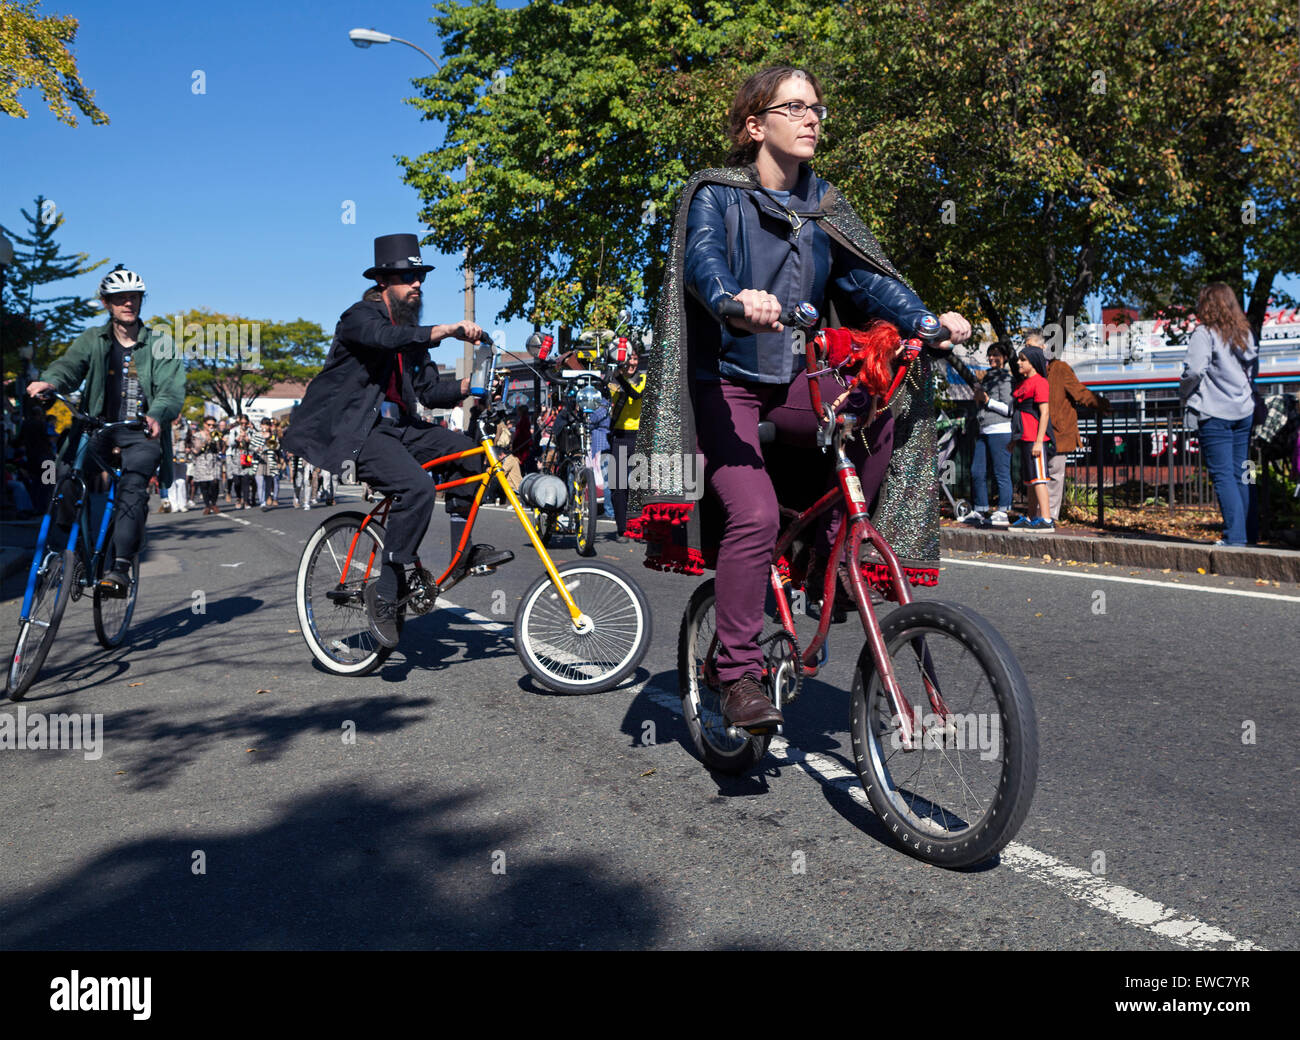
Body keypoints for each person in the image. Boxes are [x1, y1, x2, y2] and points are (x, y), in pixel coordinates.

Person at [630, 66, 971, 730]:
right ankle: (735, 679)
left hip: (793, 382)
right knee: (753, 516)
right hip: (725, 384)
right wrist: (733, 300)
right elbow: (703, 264)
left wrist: (926, 323)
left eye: (817, 108)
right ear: (756, 125)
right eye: (796, 107)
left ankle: (833, 559)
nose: (813, 117)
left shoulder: (825, 207)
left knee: (881, 406)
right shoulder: (714, 194)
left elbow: (871, 282)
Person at [283, 233, 510, 648]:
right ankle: (387, 596)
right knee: (416, 487)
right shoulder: (360, 318)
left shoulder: (410, 332)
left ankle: (462, 555)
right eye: (408, 277)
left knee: (470, 456)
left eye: (420, 277)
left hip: (398, 427)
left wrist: (470, 387)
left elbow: (426, 391)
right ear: (385, 280)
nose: (417, 284)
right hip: (358, 431)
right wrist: (447, 330)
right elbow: (385, 340)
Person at [25, 267, 185, 595]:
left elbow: (171, 388)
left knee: (133, 487)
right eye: (120, 298)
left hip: (141, 430)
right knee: (65, 472)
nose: (129, 303)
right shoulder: (92, 339)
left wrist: (157, 414)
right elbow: (69, 366)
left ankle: (121, 566)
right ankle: (70, 551)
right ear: (106, 303)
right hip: (97, 427)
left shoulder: (161, 343)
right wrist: (51, 381)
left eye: (135, 297)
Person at [1180, 282, 1259, 546]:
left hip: (1215, 412)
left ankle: (1234, 539)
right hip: (1243, 410)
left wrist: (1184, 392)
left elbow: (1193, 371)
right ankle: (1247, 535)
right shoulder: (1243, 333)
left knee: (1223, 475)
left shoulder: (1205, 333)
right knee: (1240, 474)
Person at [1039, 330, 1109, 523]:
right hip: (1037, 432)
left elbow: (1079, 392)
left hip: (1057, 431)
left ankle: (1048, 516)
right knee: (1038, 475)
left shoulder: (1060, 369)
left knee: (1054, 475)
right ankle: (1038, 514)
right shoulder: (1032, 370)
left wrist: (1100, 404)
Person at [963, 342, 1015, 528]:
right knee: (977, 471)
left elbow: (1009, 409)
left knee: (1001, 472)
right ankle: (981, 509)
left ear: (1005, 358)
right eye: (990, 355)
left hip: (1001, 431)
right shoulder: (988, 377)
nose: (992, 358)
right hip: (984, 430)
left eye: (996, 355)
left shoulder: (1006, 379)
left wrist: (987, 400)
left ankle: (1003, 511)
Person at [1010, 345, 1054, 530]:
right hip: (1024, 438)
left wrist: (1038, 441)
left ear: (1033, 362)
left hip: (1036, 439)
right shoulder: (1021, 383)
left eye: (1023, 359)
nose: (1019, 362)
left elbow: (1044, 413)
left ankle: (1046, 519)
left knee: (1039, 479)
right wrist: (1014, 440)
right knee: (1030, 480)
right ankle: (1031, 516)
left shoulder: (1040, 382)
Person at [607, 350, 646, 541]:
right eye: (629, 358)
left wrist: (619, 378)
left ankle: (638, 528)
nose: (633, 362)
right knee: (618, 486)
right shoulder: (612, 381)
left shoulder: (644, 378)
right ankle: (622, 529)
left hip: (638, 436)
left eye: (636, 359)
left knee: (639, 485)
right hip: (620, 436)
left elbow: (636, 395)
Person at [190, 416, 223, 514]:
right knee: (204, 484)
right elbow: (196, 450)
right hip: (202, 461)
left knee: (215, 482)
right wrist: (206, 440)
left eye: (213, 425)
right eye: (209, 425)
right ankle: (207, 505)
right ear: (204, 424)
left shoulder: (216, 435)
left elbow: (219, 449)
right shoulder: (197, 435)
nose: (211, 427)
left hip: (214, 461)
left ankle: (214, 503)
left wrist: (217, 440)